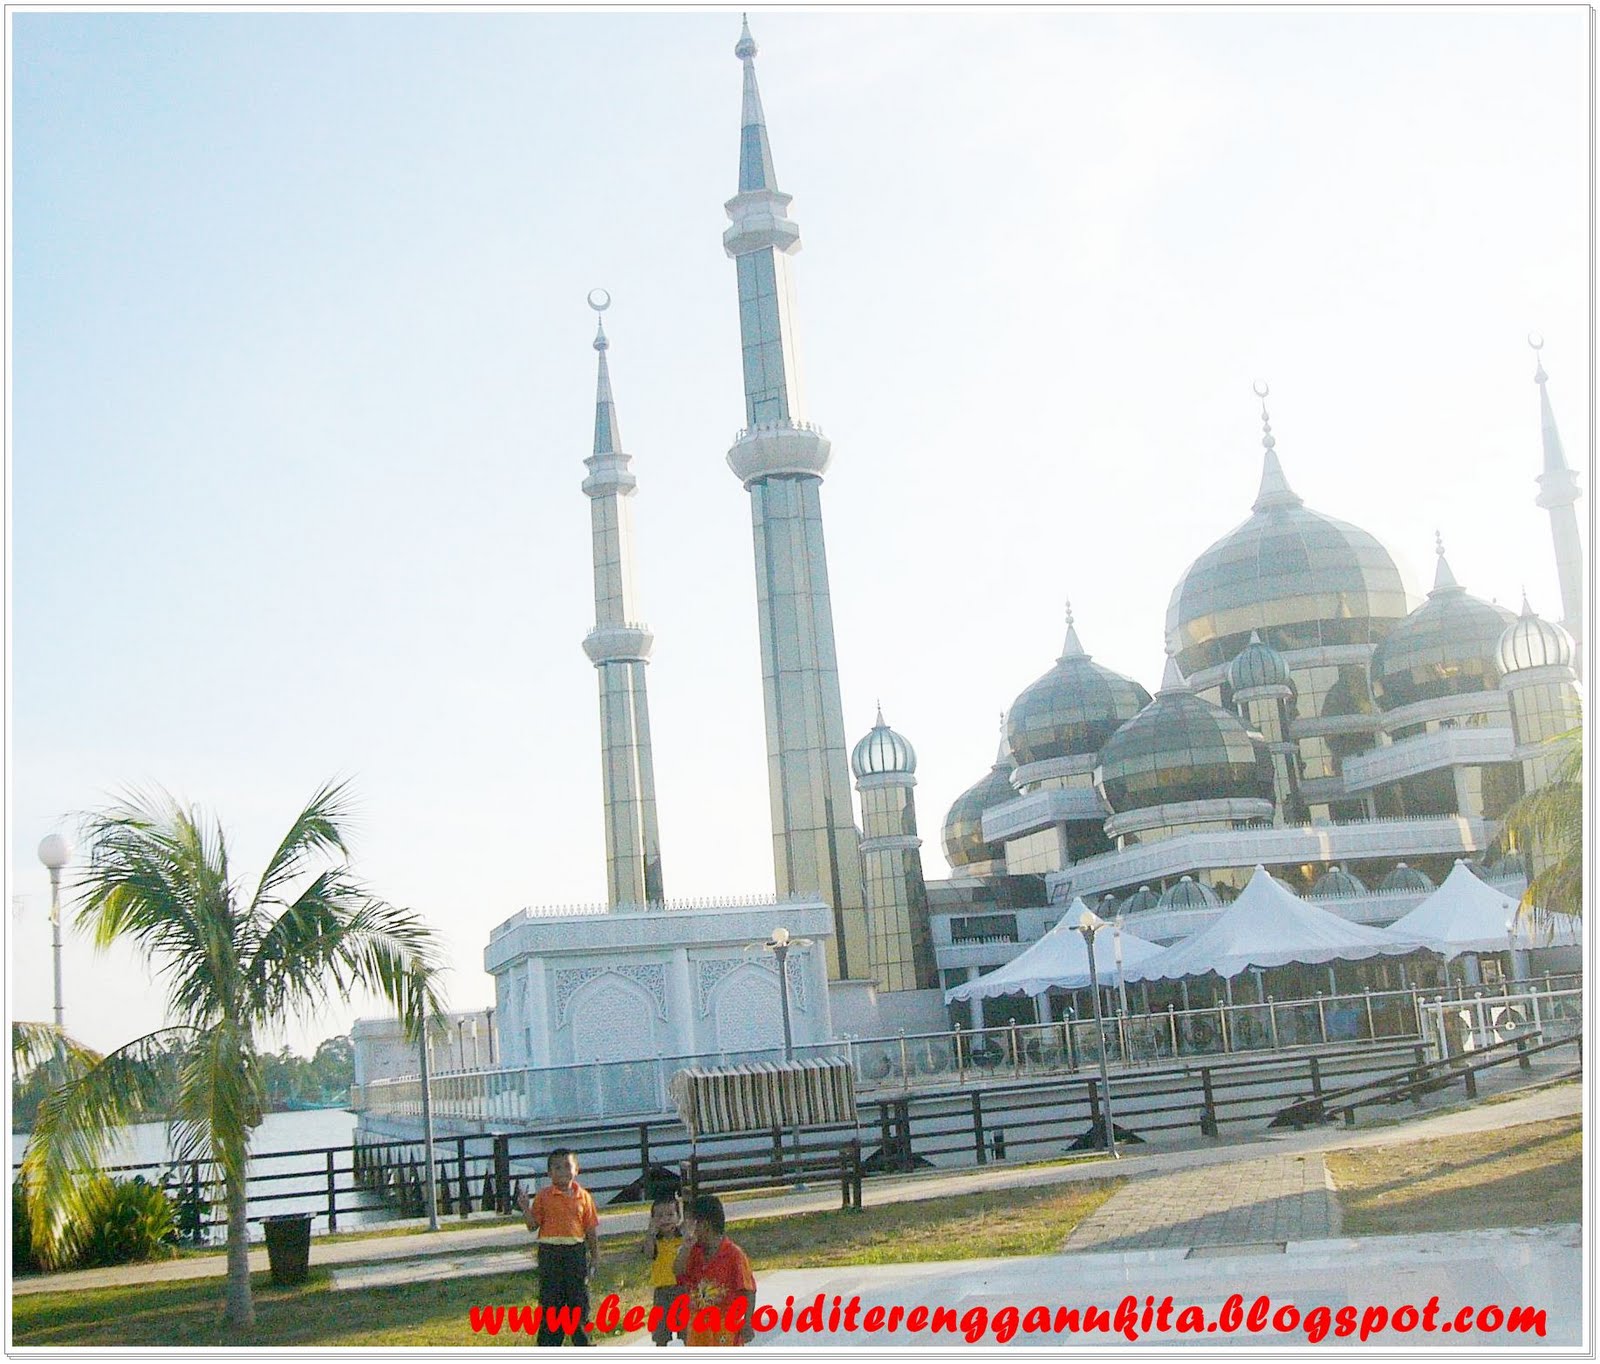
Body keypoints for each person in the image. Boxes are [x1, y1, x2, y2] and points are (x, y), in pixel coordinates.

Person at [518, 1147, 601, 1347]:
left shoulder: (584, 1197)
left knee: (578, 1299)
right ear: (549, 1173)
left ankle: (583, 1342)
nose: (562, 1171)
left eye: (567, 1166)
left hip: (575, 1252)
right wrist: (525, 1208)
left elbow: (590, 1229)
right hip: (550, 1253)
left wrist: (595, 1255)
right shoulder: (544, 1196)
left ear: (576, 1169)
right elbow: (532, 1226)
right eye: (556, 1167)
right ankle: (549, 1345)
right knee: (551, 1301)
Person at [674, 1193, 755, 1348]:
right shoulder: (693, 1251)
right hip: (698, 1327)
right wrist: (686, 1247)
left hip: (725, 1327)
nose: (684, 1227)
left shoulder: (734, 1255)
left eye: (689, 1222)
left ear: (704, 1225)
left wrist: (747, 1322)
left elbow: (748, 1290)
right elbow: (678, 1271)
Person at [641, 1193, 686, 1346]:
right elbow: (648, 1254)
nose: (665, 1219)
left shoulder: (683, 1238)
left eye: (670, 1214)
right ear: (652, 1220)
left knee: (687, 1329)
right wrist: (650, 1234)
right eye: (659, 1216)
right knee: (661, 1332)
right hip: (662, 1292)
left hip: (683, 1289)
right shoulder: (654, 1240)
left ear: (678, 1217)